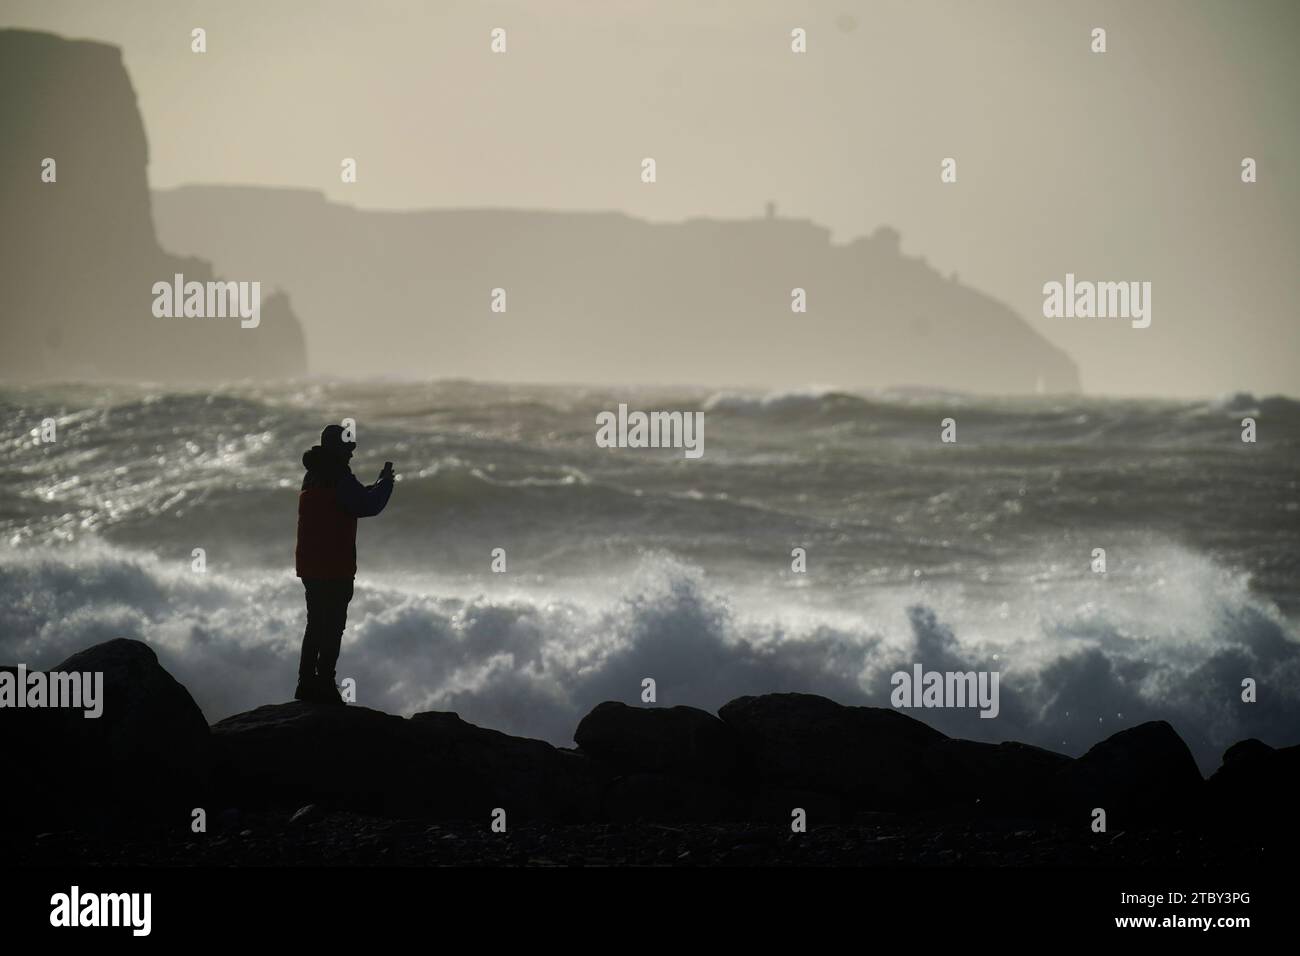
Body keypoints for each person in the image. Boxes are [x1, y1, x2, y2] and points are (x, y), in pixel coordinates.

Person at [294, 424, 394, 704]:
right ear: (337, 450)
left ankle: (305, 683)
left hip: (311, 564)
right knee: (334, 625)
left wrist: (373, 487)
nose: (351, 455)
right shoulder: (338, 476)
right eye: (347, 450)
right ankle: (325, 683)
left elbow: (355, 499)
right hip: (334, 566)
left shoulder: (312, 475)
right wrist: (386, 483)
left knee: (315, 625)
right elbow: (367, 506)